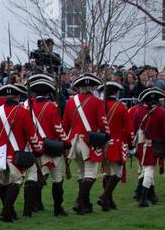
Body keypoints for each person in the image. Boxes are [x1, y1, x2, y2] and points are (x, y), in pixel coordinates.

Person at [0, 83, 41, 223]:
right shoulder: (22, 112)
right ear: (18, 96)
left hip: (0, 154)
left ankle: (8, 211)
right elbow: (31, 135)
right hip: (16, 153)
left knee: (4, 182)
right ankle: (7, 212)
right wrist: (38, 149)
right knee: (15, 182)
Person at [61, 73, 108, 215]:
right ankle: (79, 202)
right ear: (92, 88)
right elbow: (102, 123)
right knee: (91, 174)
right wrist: (107, 137)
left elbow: (65, 124)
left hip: (74, 143)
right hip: (89, 142)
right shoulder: (97, 102)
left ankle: (85, 205)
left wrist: (65, 142)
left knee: (81, 174)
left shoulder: (70, 102)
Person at [24, 74, 66, 216]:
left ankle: (31, 207)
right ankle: (57, 208)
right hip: (50, 147)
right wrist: (65, 142)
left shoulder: (26, 105)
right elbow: (58, 128)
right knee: (57, 178)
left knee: (35, 177)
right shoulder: (51, 106)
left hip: (32, 146)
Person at [133, 87, 165, 207]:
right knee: (149, 170)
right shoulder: (161, 112)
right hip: (153, 146)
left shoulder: (138, 111)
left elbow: (134, 128)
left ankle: (149, 194)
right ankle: (143, 197)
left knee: (145, 170)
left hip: (140, 144)